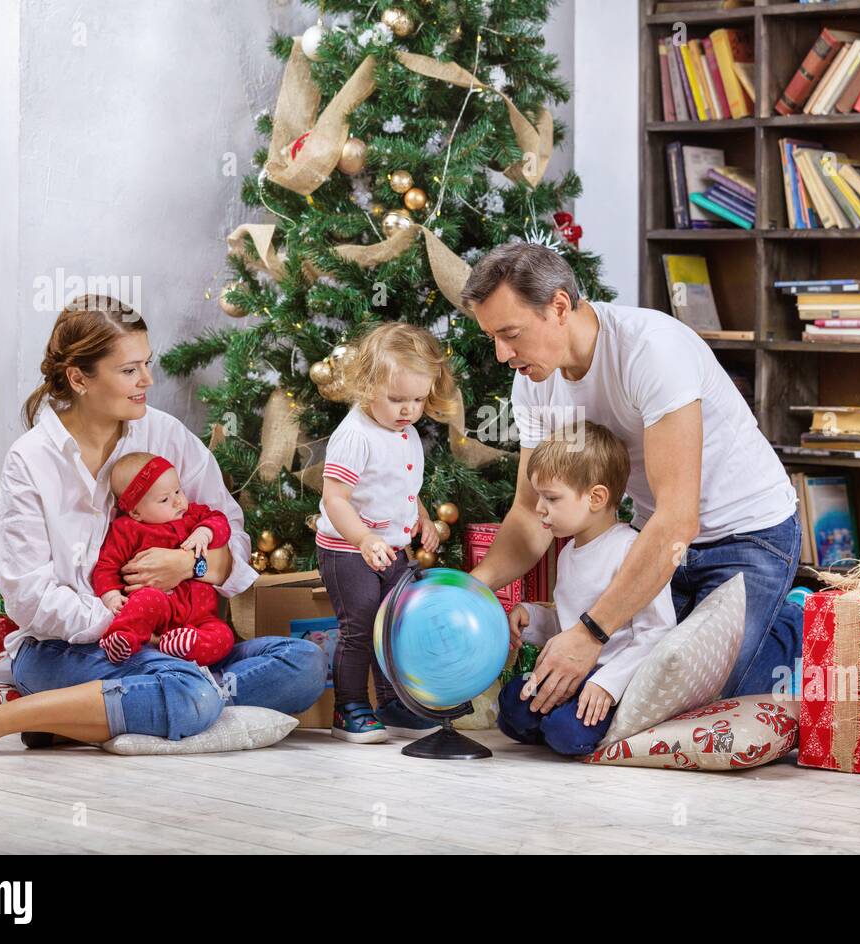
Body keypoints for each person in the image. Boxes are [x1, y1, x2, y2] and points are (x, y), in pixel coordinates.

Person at [0, 295, 324, 762]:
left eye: (147, 364)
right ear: (79, 378)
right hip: (63, 651)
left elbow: (231, 542)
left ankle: (91, 715)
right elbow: (30, 597)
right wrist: (130, 624)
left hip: (177, 645)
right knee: (191, 690)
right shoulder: (31, 460)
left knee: (305, 663)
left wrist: (188, 564)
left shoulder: (166, 436)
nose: (147, 381)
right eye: (129, 370)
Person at [462, 241, 805, 718]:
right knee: (638, 685)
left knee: (697, 699)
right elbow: (528, 513)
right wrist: (472, 588)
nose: (502, 354)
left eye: (511, 333)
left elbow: (678, 519)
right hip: (654, 542)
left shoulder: (651, 350)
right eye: (492, 338)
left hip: (748, 535)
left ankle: (797, 626)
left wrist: (588, 634)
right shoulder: (532, 381)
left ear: (559, 306)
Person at [497, 421, 675, 756]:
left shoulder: (632, 551)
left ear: (595, 497)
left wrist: (606, 683)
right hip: (572, 674)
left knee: (565, 732)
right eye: (538, 496)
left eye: (551, 498)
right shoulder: (567, 554)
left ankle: (570, 726)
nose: (539, 508)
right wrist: (533, 618)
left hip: (611, 681)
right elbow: (570, 625)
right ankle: (558, 723)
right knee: (511, 706)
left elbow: (658, 631)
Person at [315, 322, 453, 742]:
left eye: (417, 399)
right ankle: (349, 707)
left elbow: (403, 488)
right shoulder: (356, 436)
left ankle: (393, 703)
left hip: (390, 548)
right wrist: (363, 539)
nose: (408, 409)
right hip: (347, 549)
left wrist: (423, 519)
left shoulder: (405, 431)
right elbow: (335, 498)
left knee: (393, 623)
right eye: (396, 399)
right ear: (366, 386)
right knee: (359, 625)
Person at [93, 452, 236, 667]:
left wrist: (205, 532)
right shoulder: (127, 530)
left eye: (178, 491)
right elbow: (106, 566)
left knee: (223, 637)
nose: (178, 501)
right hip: (158, 608)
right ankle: (123, 639)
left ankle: (176, 645)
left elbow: (220, 521)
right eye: (164, 499)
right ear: (135, 512)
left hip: (200, 615)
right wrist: (111, 596)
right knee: (145, 601)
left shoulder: (194, 517)